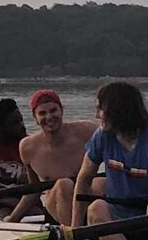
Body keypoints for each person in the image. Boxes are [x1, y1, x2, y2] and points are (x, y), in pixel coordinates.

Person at [71, 80, 148, 240]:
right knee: (96, 208)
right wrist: (74, 231)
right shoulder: (103, 137)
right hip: (117, 222)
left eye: (100, 109)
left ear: (118, 111)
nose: (97, 116)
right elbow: (83, 180)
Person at [18, 88, 93, 223]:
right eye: (42, 113)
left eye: (53, 111)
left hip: (85, 203)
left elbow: (114, 129)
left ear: (61, 110)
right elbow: (34, 189)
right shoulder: (27, 147)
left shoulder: (86, 131)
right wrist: (12, 219)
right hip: (56, 211)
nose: (49, 117)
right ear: (35, 118)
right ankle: (74, 236)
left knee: (100, 182)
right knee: (64, 184)